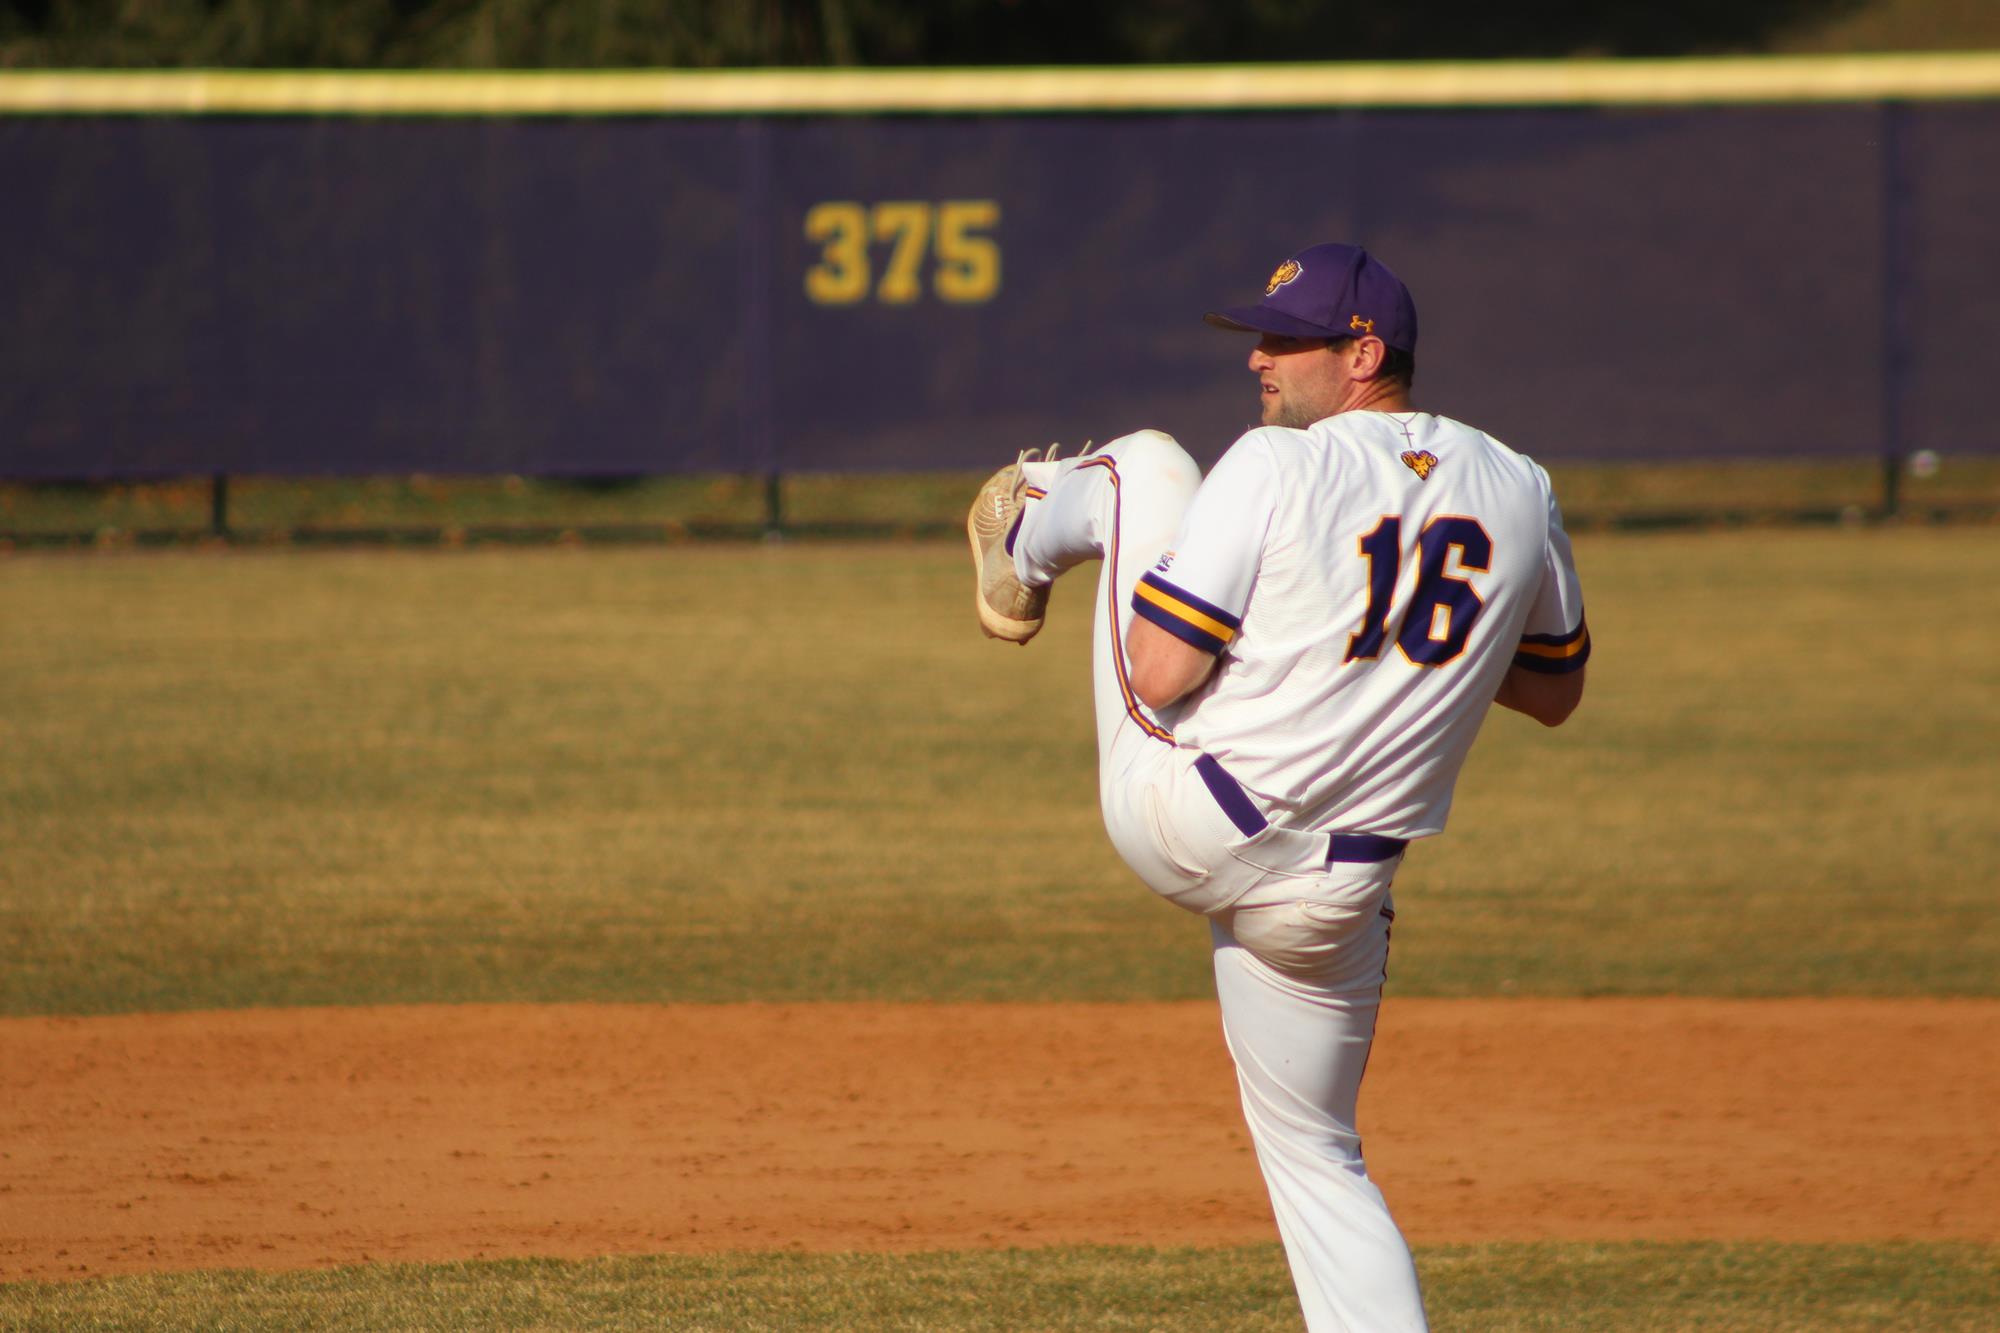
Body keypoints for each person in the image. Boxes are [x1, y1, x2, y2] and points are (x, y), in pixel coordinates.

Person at [965, 242, 1589, 1332]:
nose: (1257, 357)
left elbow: (1160, 676)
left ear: (1360, 351)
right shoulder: (1518, 483)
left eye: (1284, 339)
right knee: (1319, 1157)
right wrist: (1397, 658)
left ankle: (1020, 535)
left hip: (1186, 818)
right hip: (1336, 901)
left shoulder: (1270, 465)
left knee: (1144, 467)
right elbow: (1551, 690)